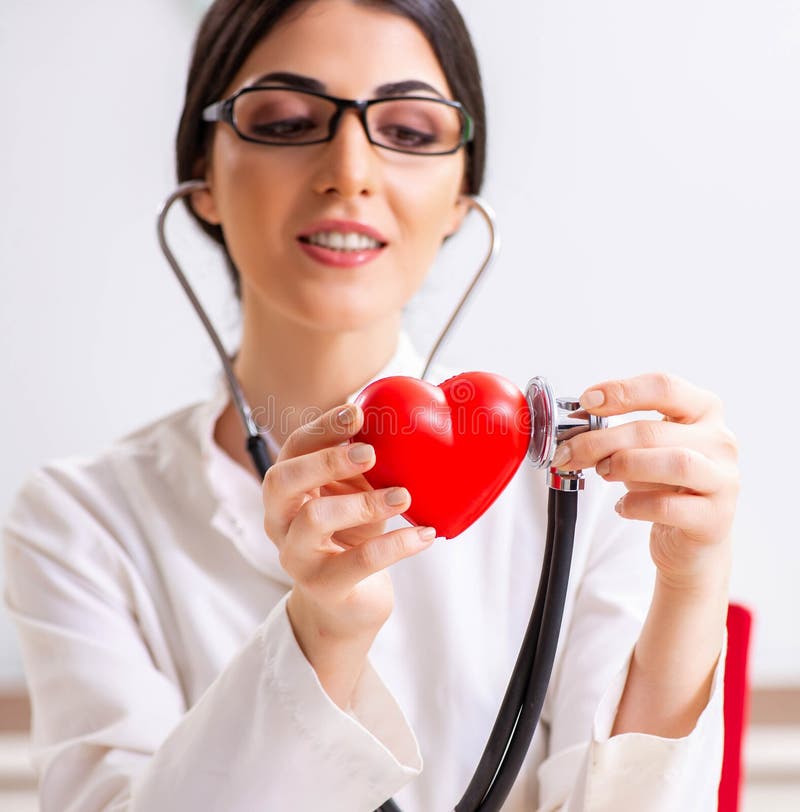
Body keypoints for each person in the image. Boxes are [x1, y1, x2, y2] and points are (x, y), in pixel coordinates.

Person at [2, 0, 740, 809]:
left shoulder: (585, 486)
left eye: (412, 133)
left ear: (462, 198)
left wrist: (691, 582)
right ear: (203, 178)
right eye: (284, 122)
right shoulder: (81, 520)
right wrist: (321, 634)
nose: (349, 170)